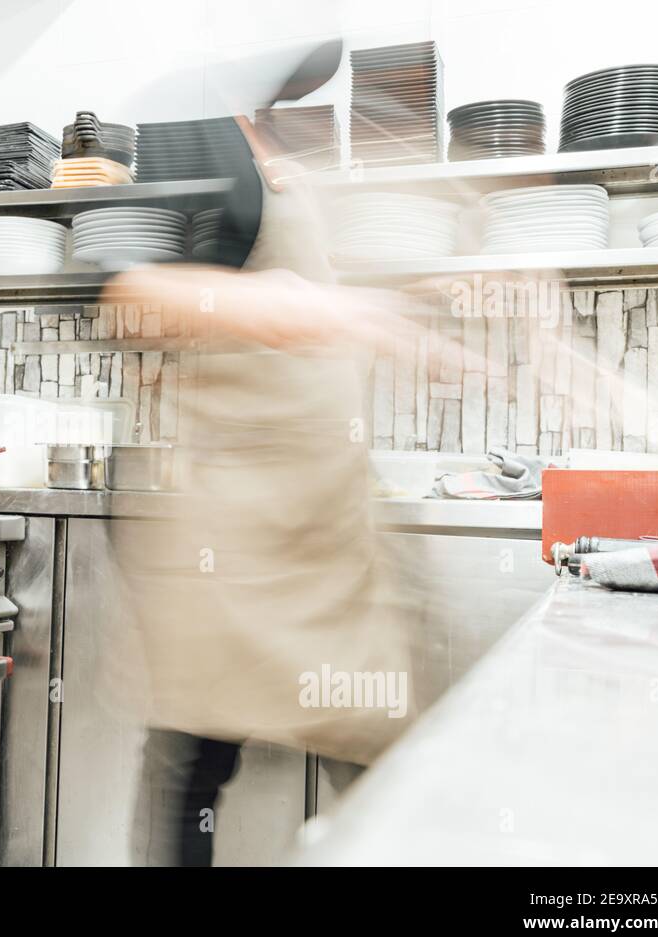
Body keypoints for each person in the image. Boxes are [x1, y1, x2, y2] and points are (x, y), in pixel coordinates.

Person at [106, 70, 422, 867]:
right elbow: (126, 291)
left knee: (379, 740)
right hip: (236, 527)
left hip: (322, 519)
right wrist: (279, 306)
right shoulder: (188, 122)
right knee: (195, 756)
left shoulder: (274, 142)